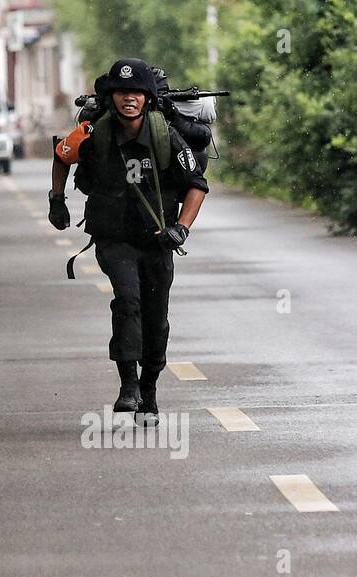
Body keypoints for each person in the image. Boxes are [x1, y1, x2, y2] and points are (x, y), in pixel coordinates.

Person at [49, 58, 208, 425]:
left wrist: (180, 229)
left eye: (136, 92)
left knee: (157, 319)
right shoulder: (94, 132)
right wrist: (56, 201)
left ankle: (149, 389)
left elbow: (196, 185)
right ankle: (128, 387)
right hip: (114, 238)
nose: (128, 99)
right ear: (113, 97)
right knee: (127, 301)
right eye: (121, 92)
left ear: (147, 98)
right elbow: (61, 155)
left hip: (158, 240)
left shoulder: (165, 135)